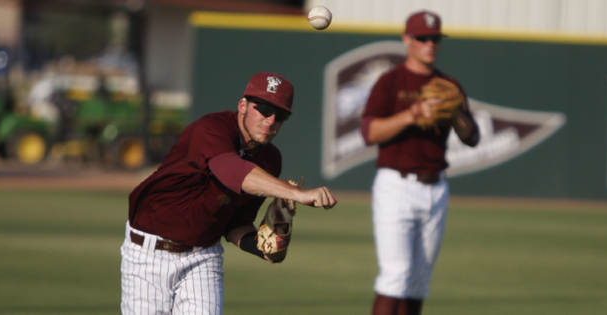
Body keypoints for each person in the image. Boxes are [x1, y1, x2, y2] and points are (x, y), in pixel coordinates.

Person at [120, 72, 338, 314]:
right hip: (148, 253)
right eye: (264, 109)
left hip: (203, 257)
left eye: (281, 115)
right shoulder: (211, 128)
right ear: (242, 106)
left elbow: (236, 221)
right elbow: (232, 170)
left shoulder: (270, 160)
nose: (271, 120)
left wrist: (262, 248)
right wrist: (297, 194)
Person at [360, 10, 480, 315]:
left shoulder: (448, 86)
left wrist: (454, 114)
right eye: (422, 38)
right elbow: (369, 132)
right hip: (396, 186)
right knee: (396, 275)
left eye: (435, 38)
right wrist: (412, 113)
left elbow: (472, 137)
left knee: (418, 282)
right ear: (407, 40)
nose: (430, 44)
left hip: (436, 187)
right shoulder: (390, 82)